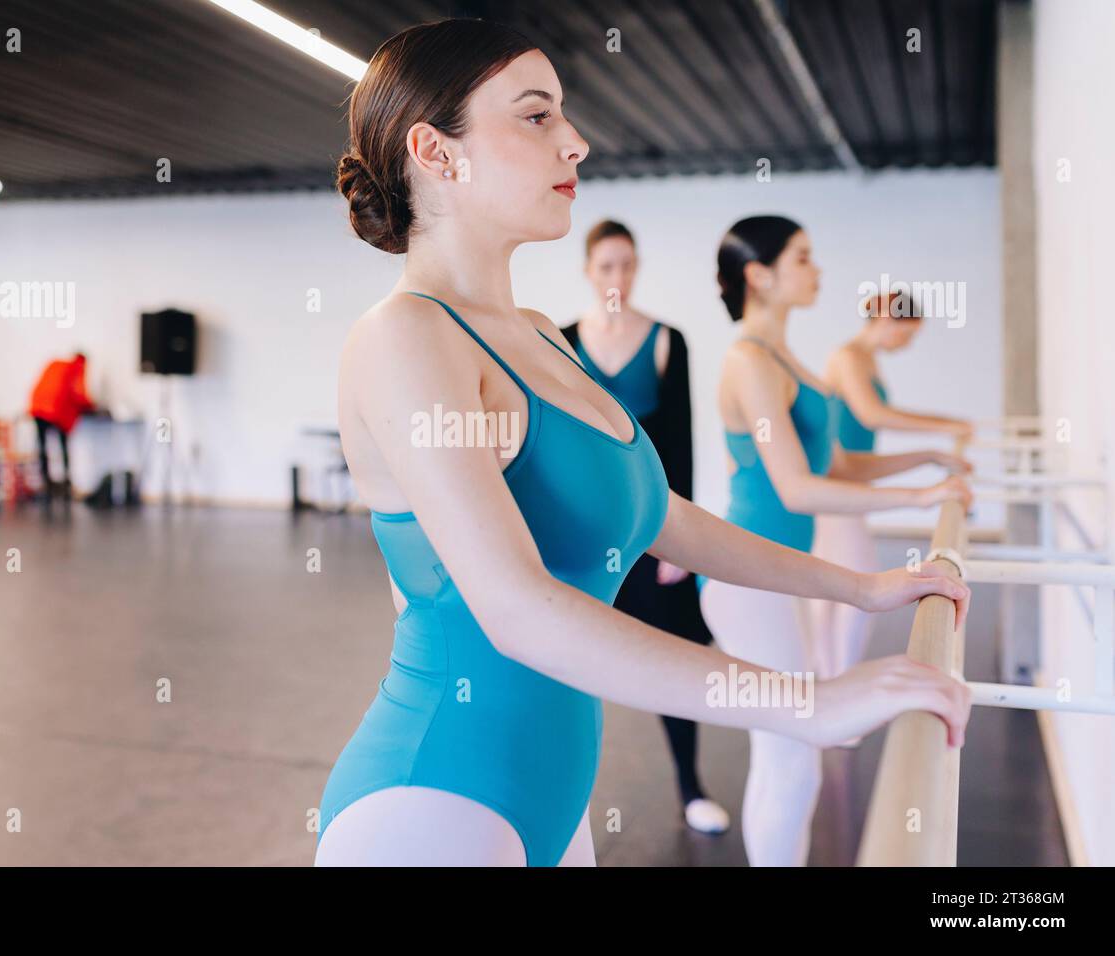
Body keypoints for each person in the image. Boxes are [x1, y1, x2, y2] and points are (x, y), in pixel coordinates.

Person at [315, 20, 971, 868]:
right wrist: (807, 703)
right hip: (432, 801)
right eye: (537, 117)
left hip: (555, 795)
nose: (576, 143)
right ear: (437, 153)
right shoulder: (403, 337)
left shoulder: (544, 337)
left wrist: (864, 588)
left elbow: (667, 519)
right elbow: (515, 608)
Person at [699, 215, 972, 865]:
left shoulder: (788, 357)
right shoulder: (748, 360)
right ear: (759, 276)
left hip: (780, 569)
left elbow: (838, 463)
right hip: (745, 573)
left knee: (798, 757)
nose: (817, 270)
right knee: (791, 756)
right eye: (803, 258)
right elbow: (796, 487)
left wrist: (928, 465)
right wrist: (915, 498)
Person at [561, 219, 727, 835]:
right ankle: (565, 799)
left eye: (627, 265)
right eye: (606, 266)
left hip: (650, 529)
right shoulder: (559, 338)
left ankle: (691, 785)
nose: (618, 278)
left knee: (674, 660)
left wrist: (677, 540)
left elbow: (678, 448)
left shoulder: (666, 341)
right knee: (570, 662)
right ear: (588, 270)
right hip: (583, 531)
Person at [814, 292, 975, 680]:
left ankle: (829, 678)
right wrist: (944, 426)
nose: (908, 343)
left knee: (834, 583)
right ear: (888, 319)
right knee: (853, 581)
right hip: (838, 482)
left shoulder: (865, 359)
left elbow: (880, 414)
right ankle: (834, 680)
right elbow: (874, 415)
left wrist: (943, 427)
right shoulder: (848, 357)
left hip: (853, 478)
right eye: (908, 334)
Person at [28, 352, 93, 501]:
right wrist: (90, 405)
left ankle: (46, 482)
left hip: (37, 408)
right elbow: (78, 394)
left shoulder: (55, 363)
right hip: (55, 411)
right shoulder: (76, 368)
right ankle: (66, 481)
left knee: (43, 446)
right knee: (63, 445)